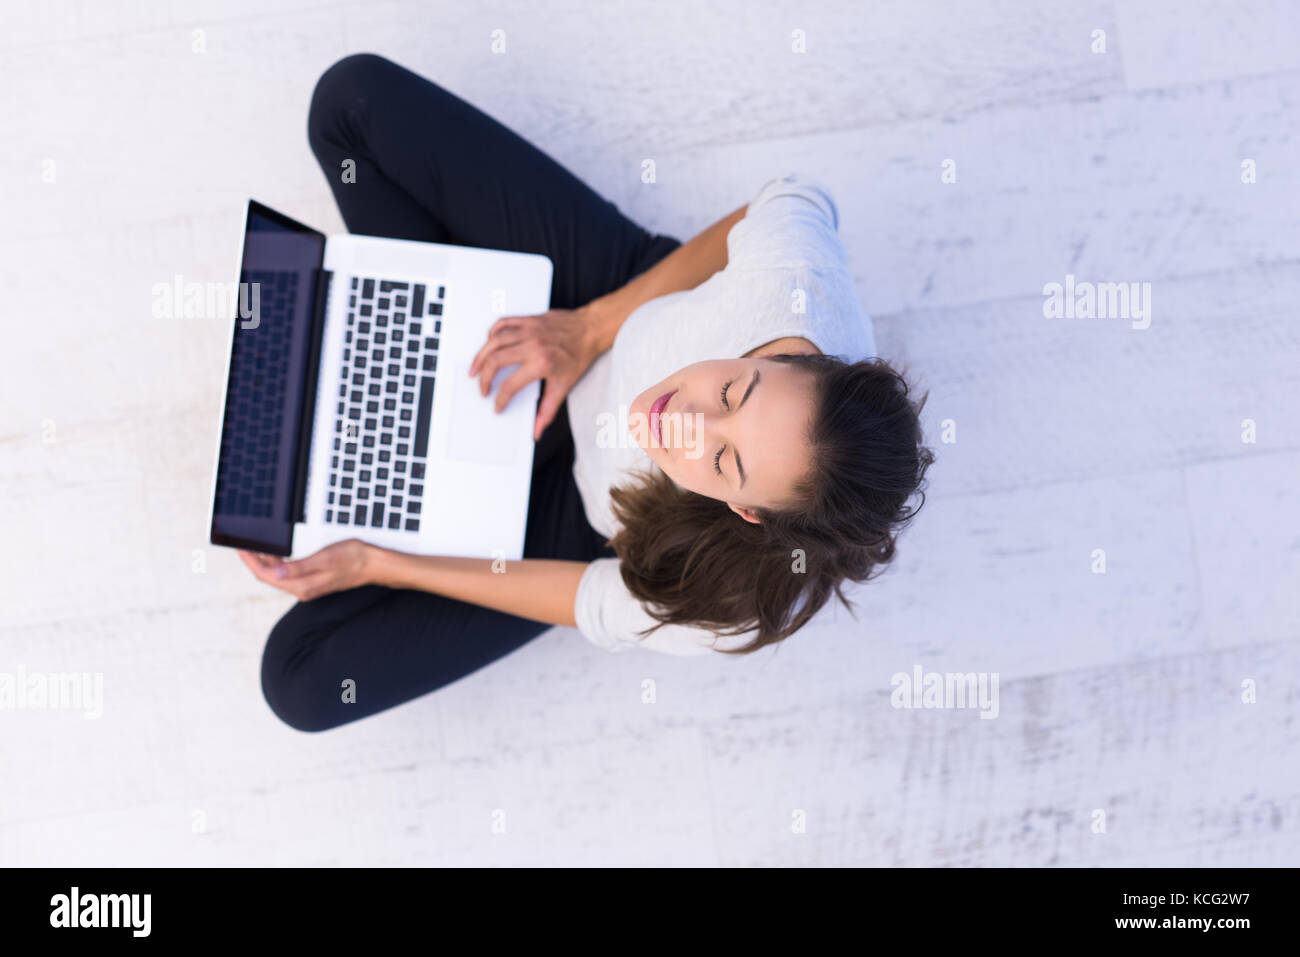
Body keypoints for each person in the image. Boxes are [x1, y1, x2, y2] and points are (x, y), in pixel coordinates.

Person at [240, 53, 935, 732]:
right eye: (733, 389)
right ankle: (455, 327)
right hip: (609, 309)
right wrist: (588, 328)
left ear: (749, 512)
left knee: (299, 678)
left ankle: (450, 325)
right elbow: (781, 199)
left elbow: (589, 596)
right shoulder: (796, 283)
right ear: (790, 352)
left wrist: (382, 560)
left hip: (576, 511)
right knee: (351, 104)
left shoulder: (735, 600)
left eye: (724, 462)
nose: (682, 424)